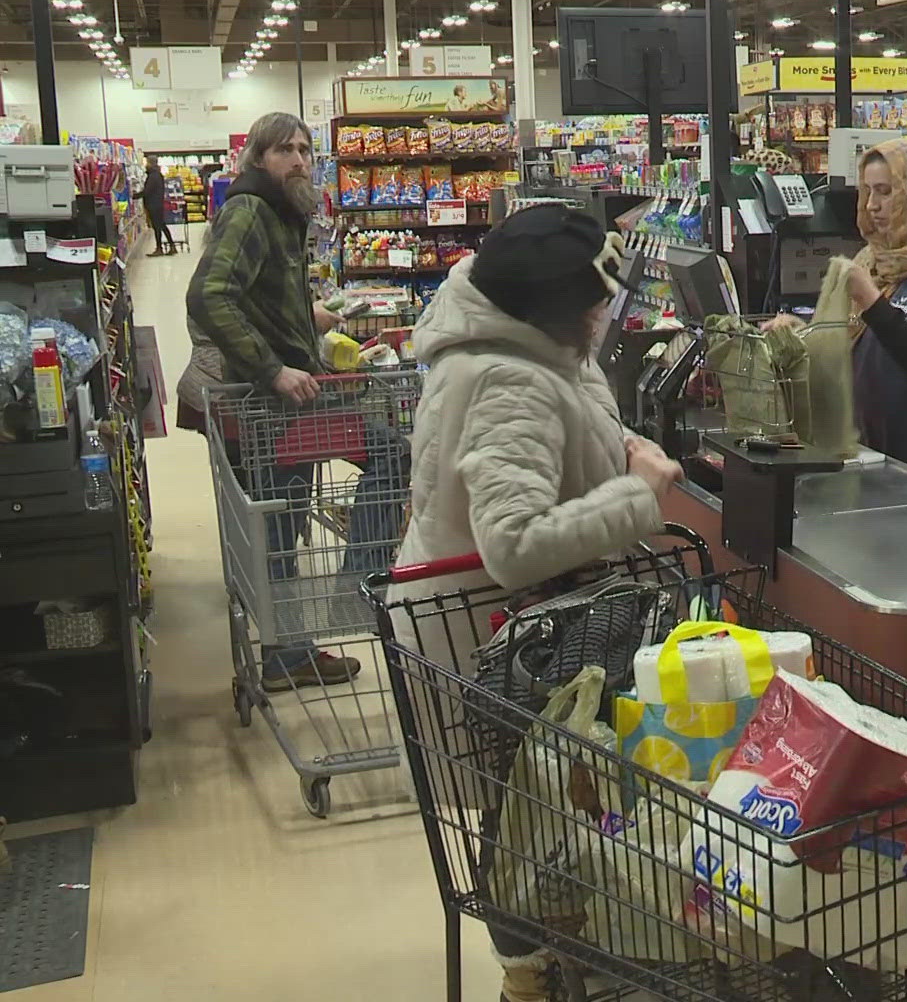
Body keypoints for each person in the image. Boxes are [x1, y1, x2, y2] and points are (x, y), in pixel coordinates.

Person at [382, 203, 681, 1002]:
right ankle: (527, 973)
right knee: (515, 821)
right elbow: (512, 544)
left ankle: (548, 961)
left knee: (536, 810)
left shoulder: (522, 340)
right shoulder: (506, 375)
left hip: (517, 632)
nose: (604, 311)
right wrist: (636, 495)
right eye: (594, 298)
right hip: (490, 642)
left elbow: (557, 428)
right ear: (552, 303)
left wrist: (618, 447)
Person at [176, 111, 353, 691]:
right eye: (284, 151)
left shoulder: (283, 211)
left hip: (284, 401)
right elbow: (208, 296)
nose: (299, 160)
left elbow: (258, 298)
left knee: (282, 522)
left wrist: (310, 318)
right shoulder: (251, 209)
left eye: (304, 149)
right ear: (257, 159)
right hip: (262, 403)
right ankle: (335, 614)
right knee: (284, 521)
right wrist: (274, 369)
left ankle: (289, 649)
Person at [141, 158, 177, 256]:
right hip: (157, 204)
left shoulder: (153, 176)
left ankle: (159, 248)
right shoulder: (157, 175)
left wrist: (135, 195)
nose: (145, 165)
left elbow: (147, 191)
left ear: (151, 164)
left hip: (154, 205)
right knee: (161, 225)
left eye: (147, 163)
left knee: (158, 227)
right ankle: (171, 246)